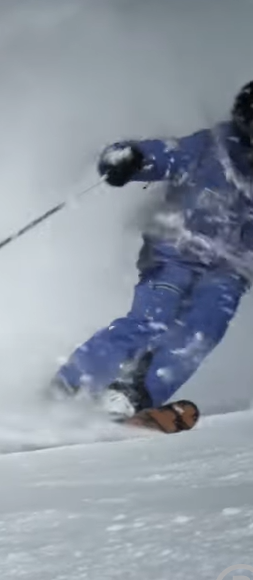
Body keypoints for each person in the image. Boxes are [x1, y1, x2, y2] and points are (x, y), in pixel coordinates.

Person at [52, 80, 253, 418]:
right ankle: (69, 385)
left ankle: (135, 395)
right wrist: (127, 159)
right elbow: (160, 155)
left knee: (201, 330)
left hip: (230, 271)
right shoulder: (210, 148)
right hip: (174, 255)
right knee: (151, 320)